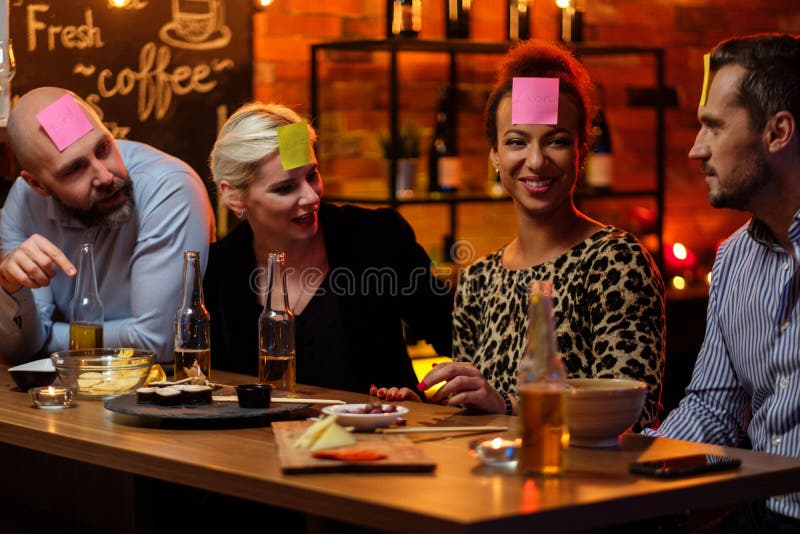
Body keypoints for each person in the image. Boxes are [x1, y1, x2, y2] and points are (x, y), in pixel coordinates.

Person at [373, 39, 665, 431]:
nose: (536, 160)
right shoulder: (478, 279)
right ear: (494, 155)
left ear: (582, 151)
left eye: (556, 141)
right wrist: (426, 410)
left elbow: (632, 413)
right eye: (516, 142)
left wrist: (508, 405)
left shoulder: (615, 260)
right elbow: (476, 417)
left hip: (583, 470)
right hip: (494, 471)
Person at [643, 33, 800, 531]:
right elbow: (714, 408)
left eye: (713, 126)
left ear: (777, 132)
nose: (696, 149)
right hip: (764, 514)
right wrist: (630, 467)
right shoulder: (733, 260)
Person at [204, 101, 453, 394]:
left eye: (312, 175)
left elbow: (456, 334)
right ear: (233, 195)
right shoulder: (218, 269)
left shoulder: (376, 237)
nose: (311, 197)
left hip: (384, 424)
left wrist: (445, 397)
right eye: (285, 188)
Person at [0, 87, 215, 364]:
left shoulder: (168, 187)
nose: (105, 176)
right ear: (38, 184)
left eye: (103, 148)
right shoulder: (23, 203)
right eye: (74, 169)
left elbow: (158, 342)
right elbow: (19, 348)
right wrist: (10, 289)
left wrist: (47, 337)